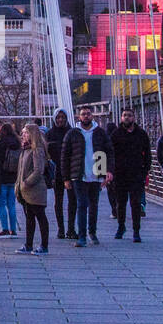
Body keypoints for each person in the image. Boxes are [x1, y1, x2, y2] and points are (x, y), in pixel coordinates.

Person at [61, 105, 113, 247]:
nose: (86, 116)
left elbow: (109, 152)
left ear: (92, 116)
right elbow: (65, 156)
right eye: (83, 114)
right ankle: (82, 236)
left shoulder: (100, 133)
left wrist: (108, 171)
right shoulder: (73, 133)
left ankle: (92, 232)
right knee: (82, 204)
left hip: (96, 174)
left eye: (88, 114)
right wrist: (66, 177)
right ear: (79, 117)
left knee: (94, 205)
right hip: (79, 175)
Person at [109, 107, 151, 242]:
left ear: (134, 118)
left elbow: (148, 154)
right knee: (120, 203)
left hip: (136, 174)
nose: (126, 117)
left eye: (129, 115)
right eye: (124, 115)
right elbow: (110, 153)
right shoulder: (116, 134)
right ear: (121, 118)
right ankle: (121, 227)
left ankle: (136, 231)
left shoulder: (141, 134)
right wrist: (110, 171)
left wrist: (145, 171)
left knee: (136, 203)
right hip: (120, 174)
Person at [16, 123, 52, 255]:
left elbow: (38, 170)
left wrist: (26, 183)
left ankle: (44, 246)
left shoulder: (37, 150)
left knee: (40, 217)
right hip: (26, 191)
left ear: (32, 135)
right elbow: (21, 170)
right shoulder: (25, 149)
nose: (23, 135)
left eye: (26, 133)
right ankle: (28, 244)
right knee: (29, 218)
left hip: (35, 190)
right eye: (23, 133)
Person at [45, 108, 76, 239]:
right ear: (54, 119)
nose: (60, 119)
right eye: (58, 117)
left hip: (70, 171)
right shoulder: (50, 134)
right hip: (57, 172)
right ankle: (61, 229)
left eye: (63, 117)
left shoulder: (73, 133)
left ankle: (71, 229)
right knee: (58, 201)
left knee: (72, 201)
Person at [0, 122, 21, 237]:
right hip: (14, 178)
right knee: (11, 204)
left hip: (1, 177)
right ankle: (13, 229)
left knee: (1, 204)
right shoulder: (17, 143)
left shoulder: (1, 143)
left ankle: (5, 229)